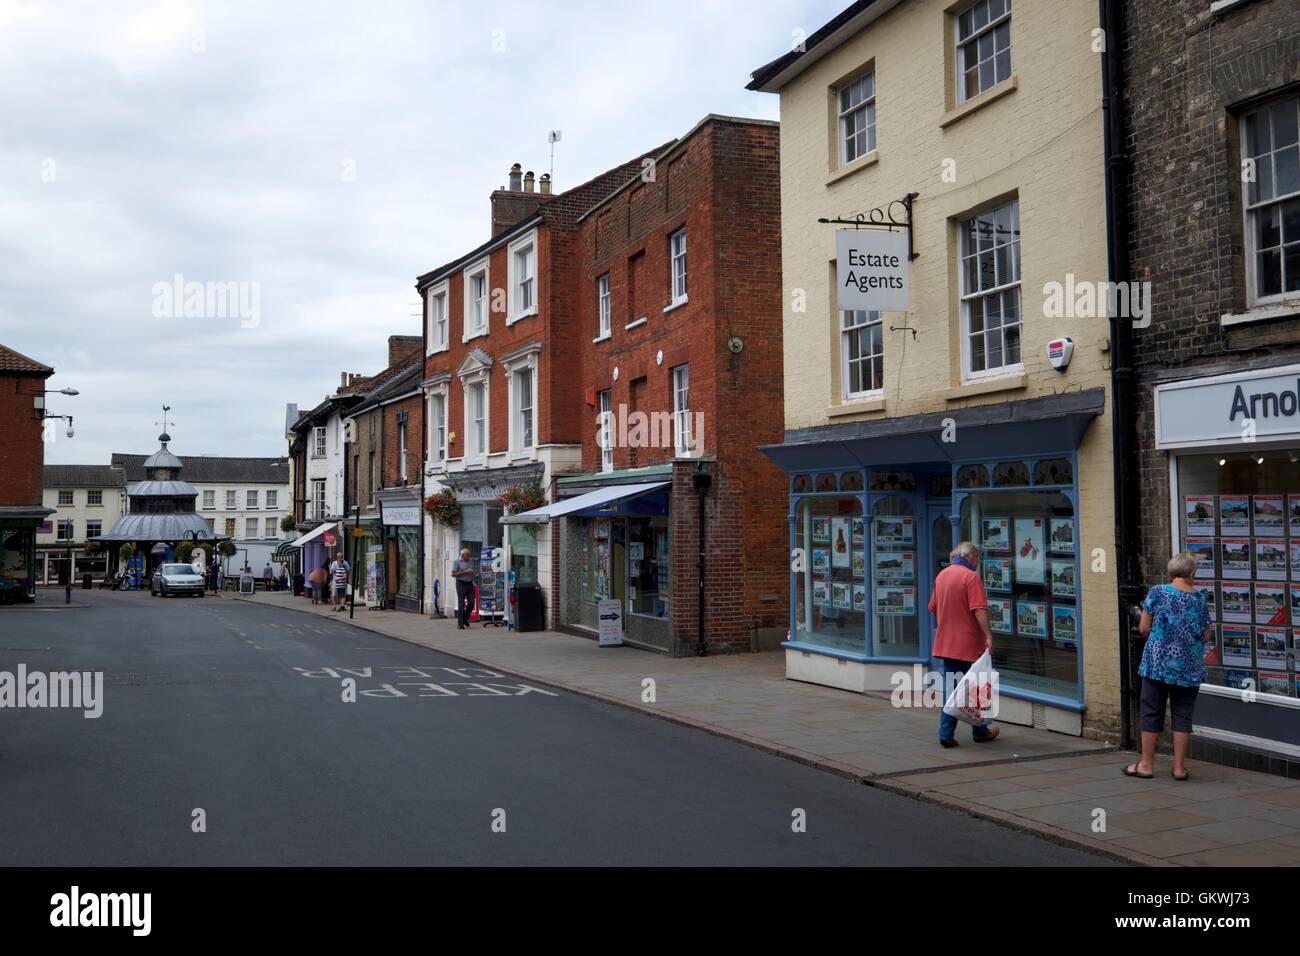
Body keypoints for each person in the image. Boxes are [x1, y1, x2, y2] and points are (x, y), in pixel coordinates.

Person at [1125, 552, 1212, 781]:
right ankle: (1179, 768)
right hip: (1189, 667)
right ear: (1192, 573)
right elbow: (1206, 634)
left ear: (1171, 572)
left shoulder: (1158, 592)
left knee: (1151, 712)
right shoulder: (1200, 599)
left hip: (1158, 664)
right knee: (1183, 716)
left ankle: (1145, 765)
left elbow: (1144, 628)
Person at [928, 541, 999, 748]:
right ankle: (980, 731)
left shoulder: (942, 575)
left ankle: (946, 734)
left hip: (946, 644)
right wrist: (988, 635)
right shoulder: (970, 577)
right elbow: (979, 610)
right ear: (969, 556)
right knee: (976, 689)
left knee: (953, 690)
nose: (977, 562)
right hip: (969, 644)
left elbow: (933, 607)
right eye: (976, 558)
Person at [451, 548, 477, 629]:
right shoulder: (456, 562)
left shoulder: (470, 561)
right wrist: (465, 572)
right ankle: (460, 624)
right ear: (462, 555)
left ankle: (465, 618)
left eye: (469, 555)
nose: (469, 557)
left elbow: (473, 571)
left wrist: (473, 573)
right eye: (468, 555)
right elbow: (453, 574)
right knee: (461, 603)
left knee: (471, 603)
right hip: (461, 584)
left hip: (469, 583)